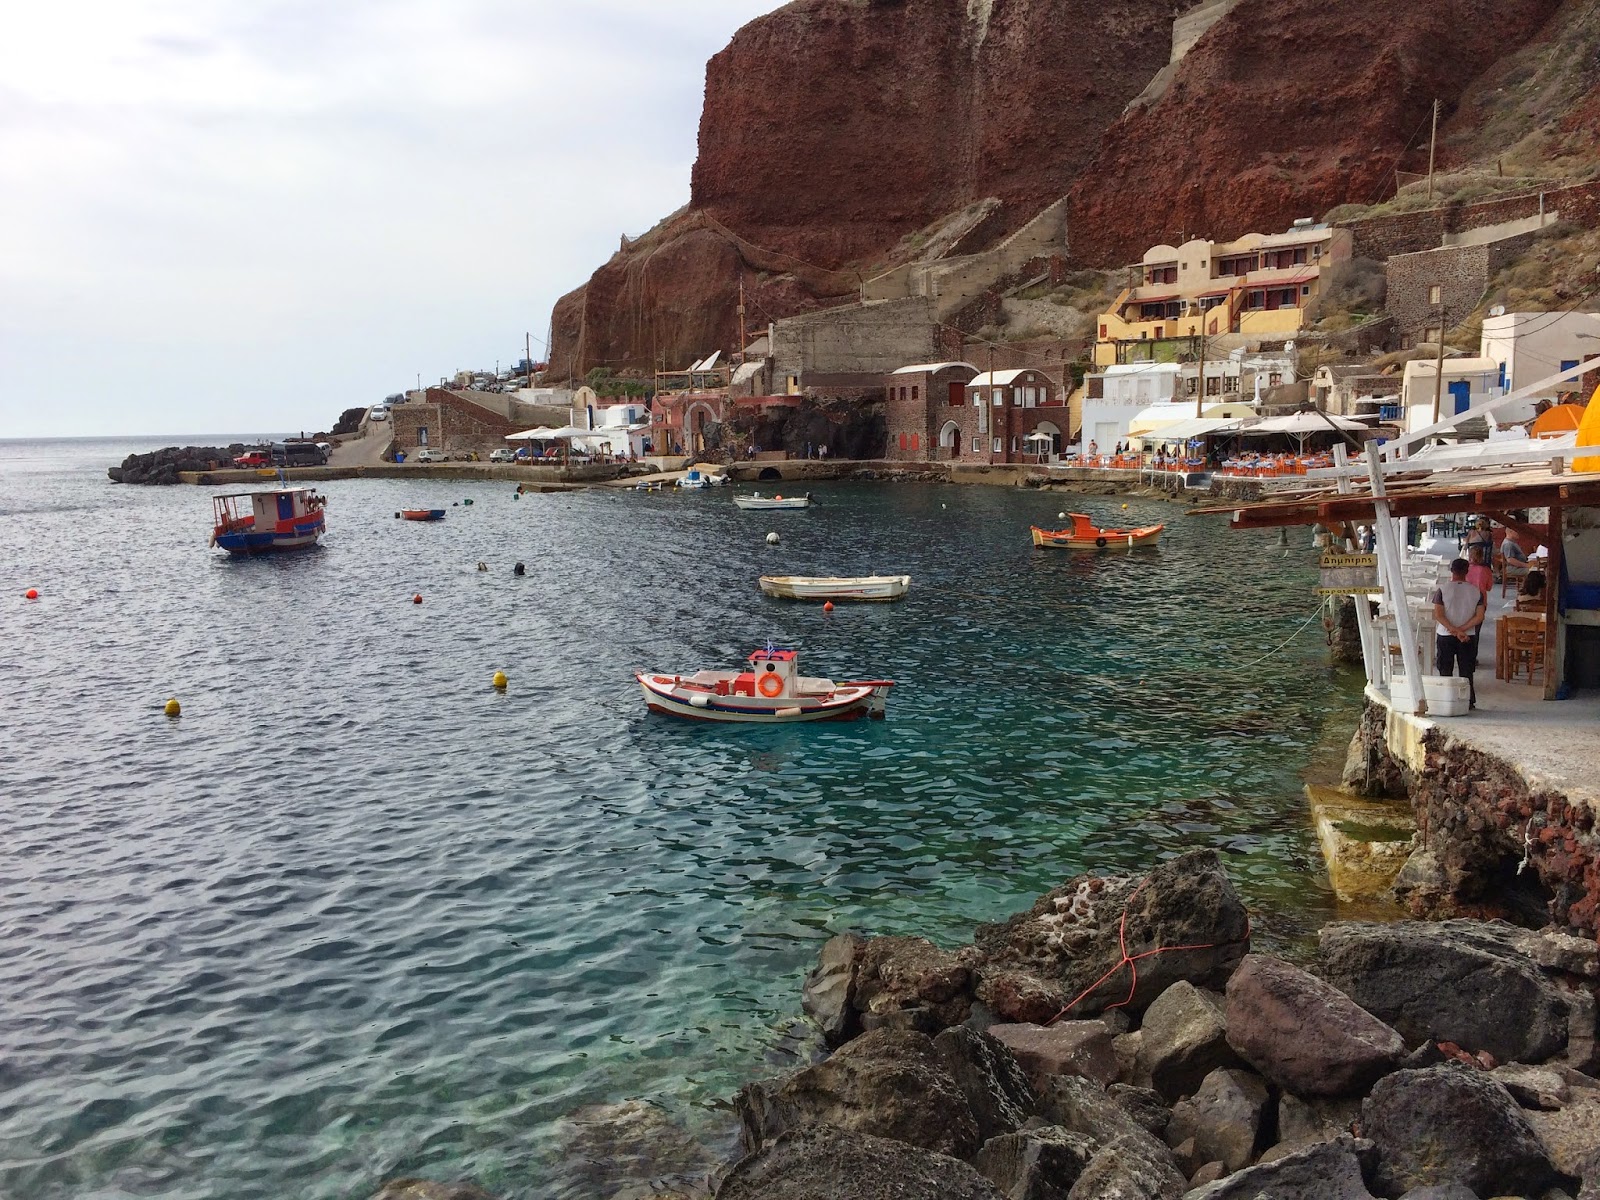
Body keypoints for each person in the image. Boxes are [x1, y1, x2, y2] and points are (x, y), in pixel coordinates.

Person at [1431, 557, 1487, 709]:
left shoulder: (1442, 590)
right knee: (1466, 670)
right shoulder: (1476, 592)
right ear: (1466, 571)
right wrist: (1462, 630)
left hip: (1445, 634)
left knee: (1445, 669)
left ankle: (1445, 700)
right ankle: (1468, 701)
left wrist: (1454, 630)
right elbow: (1480, 616)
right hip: (1468, 635)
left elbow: (1439, 615)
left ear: (1452, 571)